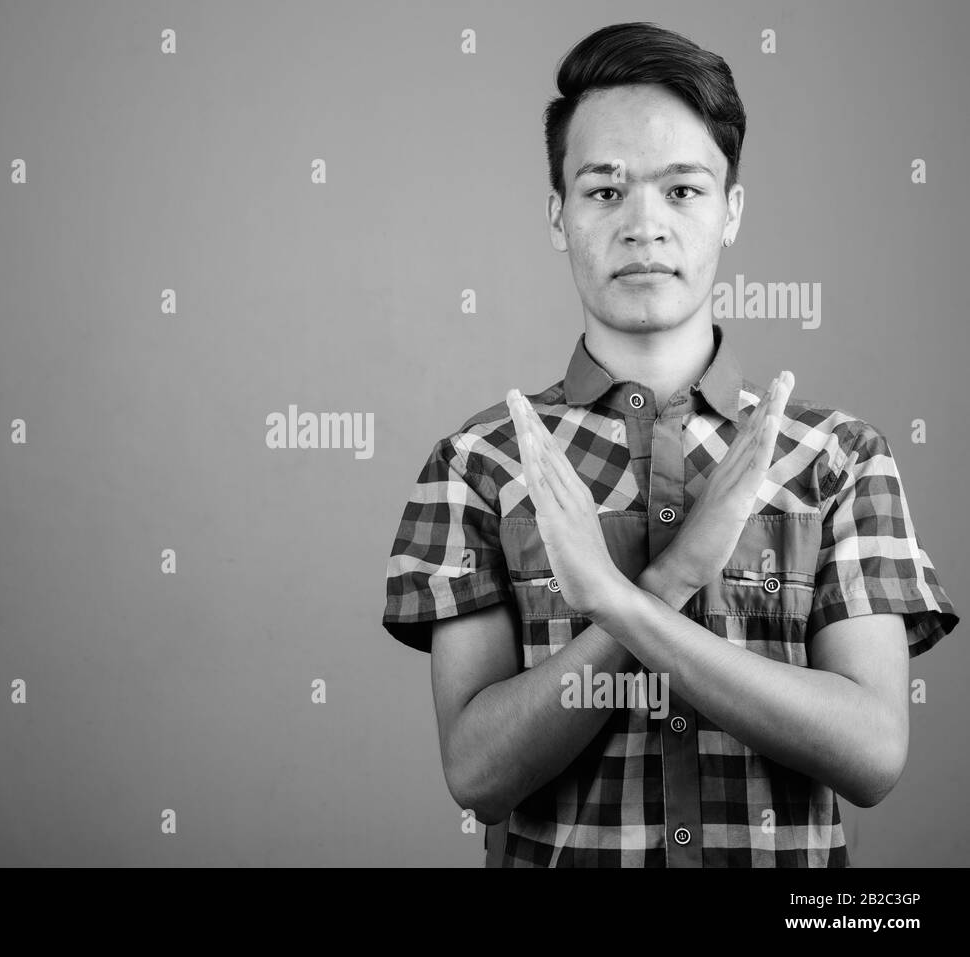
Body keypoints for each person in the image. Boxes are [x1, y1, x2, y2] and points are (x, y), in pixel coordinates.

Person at [380, 21, 959, 867]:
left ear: (732, 212)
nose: (643, 225)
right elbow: (478, 772)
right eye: (604, 191)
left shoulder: (839, 458)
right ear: (558, 214)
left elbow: (872, 753)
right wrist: (675, 576)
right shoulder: (480, 462)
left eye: (683, 190)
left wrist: (616, 601)